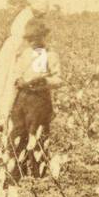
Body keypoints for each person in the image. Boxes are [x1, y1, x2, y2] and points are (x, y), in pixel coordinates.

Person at [5, 17, 63, 177]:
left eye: (35, 38)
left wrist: (44, 80)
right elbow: (15, 75)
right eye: (29, 39)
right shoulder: (25, 54)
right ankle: (16, 175)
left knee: (37, 136)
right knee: (17, 135)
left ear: (43, 37)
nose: (32, 42)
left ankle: (38, 176)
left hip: (40, 101)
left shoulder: (51, 55)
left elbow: (58, 79)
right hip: (22, 98)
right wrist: (19, 81)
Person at [0, 0, 48, 129]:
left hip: (14, 50)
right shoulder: (28, 18)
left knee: (4, 81)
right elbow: (27, 41)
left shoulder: (26, 15)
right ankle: (1, 116)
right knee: (9, 82)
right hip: (16, 51)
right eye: (42, 14)